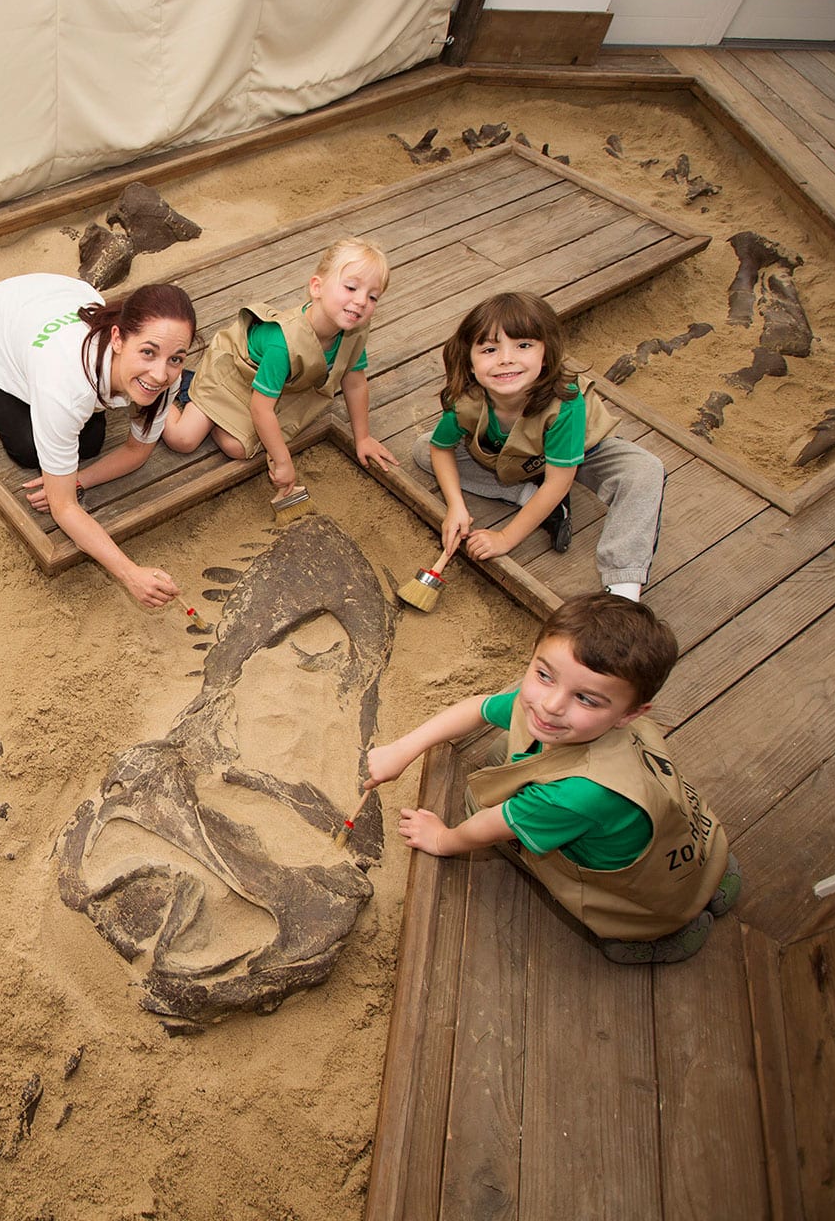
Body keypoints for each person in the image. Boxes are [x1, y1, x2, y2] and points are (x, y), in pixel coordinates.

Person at [365, 594, 741, 964]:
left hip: (648, 899)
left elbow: (488, 827)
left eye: (586, 699)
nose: (551, 705)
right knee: (505, 747)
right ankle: (717, 875)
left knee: (630, 937)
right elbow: (480, 706)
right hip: (695, 840)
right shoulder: (593, 719)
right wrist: (404, 748)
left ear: (630, 713)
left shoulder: (577, 795)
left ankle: (673, 933)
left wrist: (443, 839)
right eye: (544, 675)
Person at [0, 275, 196, 610]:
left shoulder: (167, 375)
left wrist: (80, 479)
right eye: (147, 352)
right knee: (28, 449)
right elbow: (64, 508)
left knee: (91, 441)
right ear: (117, 338)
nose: (160, 374)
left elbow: (137, 451)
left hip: (54, 296)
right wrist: (130, 573)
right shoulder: (65, 384)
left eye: (175, 359)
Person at [414, 292, 664, 600]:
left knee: (644, 471)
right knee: (424, 449)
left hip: (581, 454)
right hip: (513, 458)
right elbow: (440, 449)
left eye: (523, 345)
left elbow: (560, 480)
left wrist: (504, 538)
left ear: (546, 353)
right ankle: (529, 496)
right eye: (490, 349)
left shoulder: (565, 404)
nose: (506, 359)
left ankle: (622, 589)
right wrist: (455, 507)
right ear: (469, 360)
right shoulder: (467, 399)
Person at [165, 237, 396, 498]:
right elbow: (261, 409)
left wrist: (362, 438)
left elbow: (354, 382)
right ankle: (173, 389)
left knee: (237, 447)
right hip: (235, 372)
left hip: (279, 387)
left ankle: (215, 416)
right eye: (351, 288)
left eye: (373, 296)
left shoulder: (355, 331)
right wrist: (284, 461)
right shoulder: (283, 344)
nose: (362, 301)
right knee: (183, 440)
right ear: (316, 288)